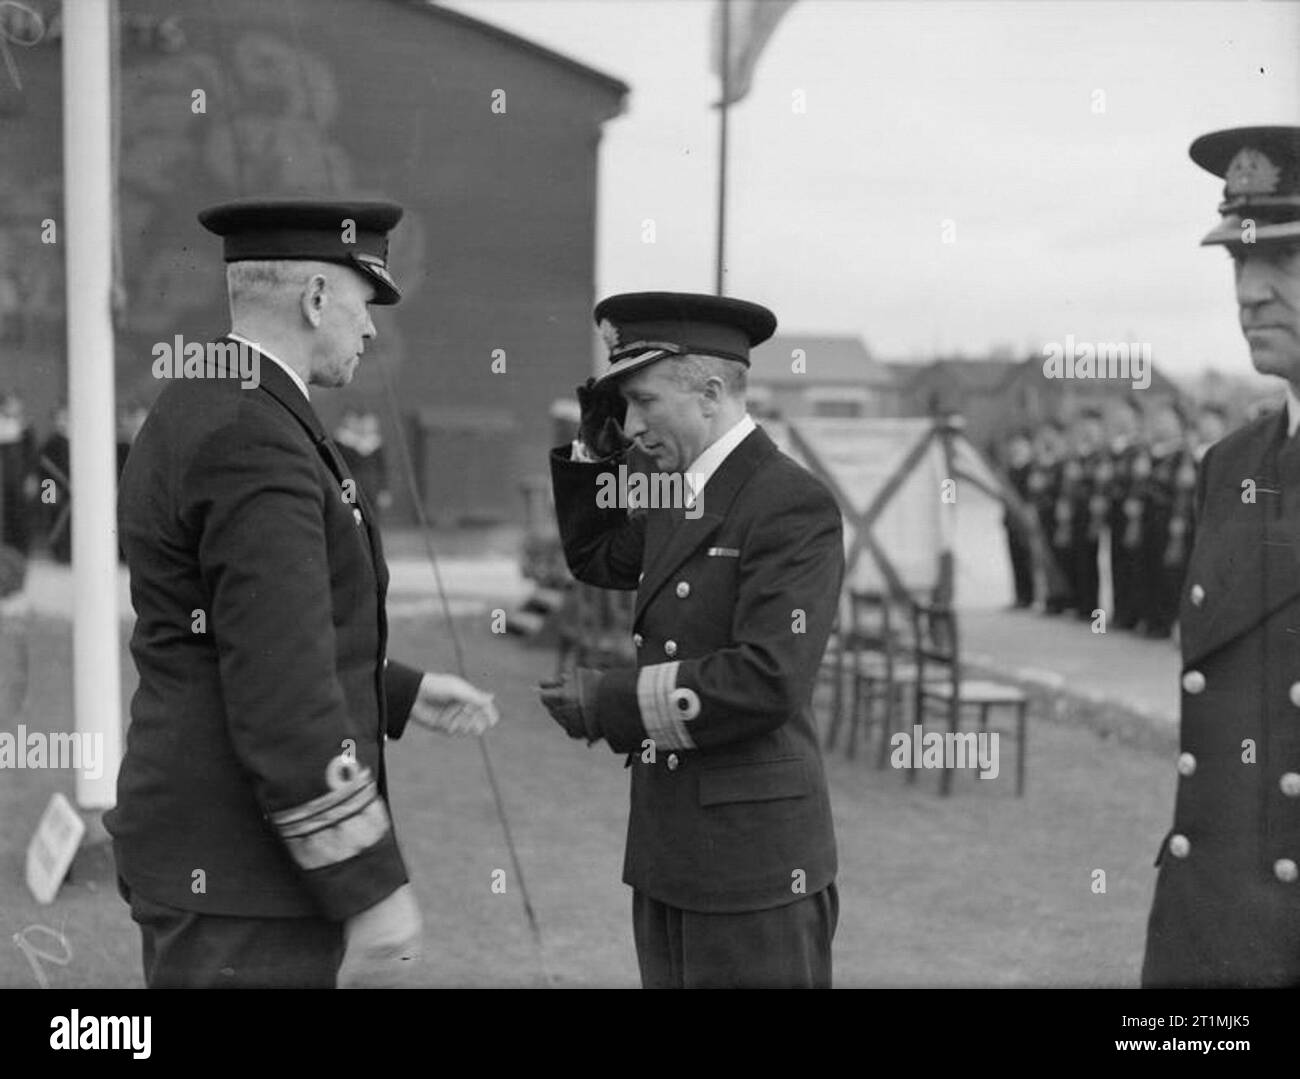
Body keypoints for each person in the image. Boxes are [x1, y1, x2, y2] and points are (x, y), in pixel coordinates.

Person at [107, 198, 499, 989]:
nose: (370, 328)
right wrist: (368, 879)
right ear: (316, 298)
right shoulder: (254, 430)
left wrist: (401, 689)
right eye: (363, 302)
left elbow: (246, 627)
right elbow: (278, 681)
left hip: (216, 856)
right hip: (244, 873)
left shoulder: (217, 397)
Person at [539, 291, 843, 988]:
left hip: (753, 864)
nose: (634, 425)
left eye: (644, 401)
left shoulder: (788, 501)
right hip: (671, 847)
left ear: (709, 393)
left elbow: (768, 676)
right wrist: (593, 451)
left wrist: (612, 701)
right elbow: (596, 558)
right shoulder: (675, 491)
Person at [1142, 125, 1300, 986]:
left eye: (1286, 260)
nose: (1253, 292)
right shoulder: (1230, 465)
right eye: (1240, 263)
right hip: (1209, 927)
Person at [1101, 396, 1145, 631]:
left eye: (1126, 416)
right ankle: (1120, 611)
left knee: (1133, 563)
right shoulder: (1111, 450)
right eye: (1119, 415)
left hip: (1134, 514)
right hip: (1114, 512)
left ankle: (1135, 613)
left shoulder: (1139, 449)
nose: (1121, 420)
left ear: (1136, 419)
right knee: (1115, 560)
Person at [999, 429, 1035, 609]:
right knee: (1015, 558)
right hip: (1011, 521)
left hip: (1026, 521)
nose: (1016, 448)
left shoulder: (1032, 468)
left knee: (1028, 558)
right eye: (1013, 444)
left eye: (1020, 443)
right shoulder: (1010, 469)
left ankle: (1031, 595)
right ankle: (1020, 595)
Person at [0, 392, 35, 557]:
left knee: (21, 514)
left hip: (21, 478)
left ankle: (22, 550)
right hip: (4, 478)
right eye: (9, 404)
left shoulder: (26, 427)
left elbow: (32, 455)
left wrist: (31, 477)